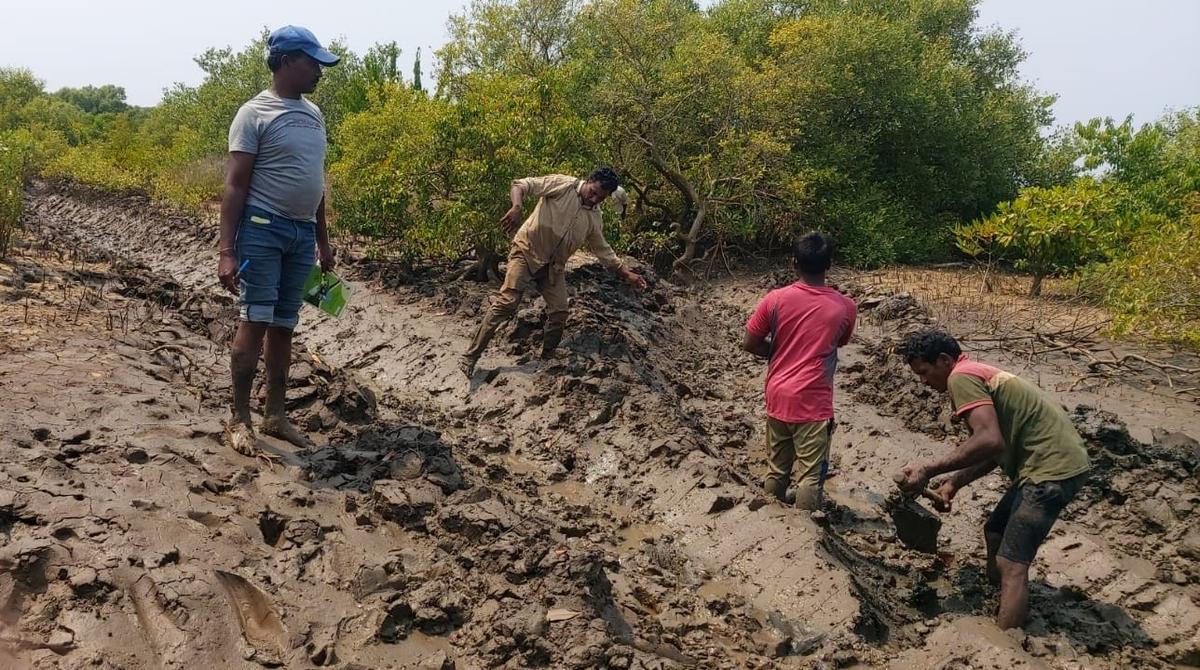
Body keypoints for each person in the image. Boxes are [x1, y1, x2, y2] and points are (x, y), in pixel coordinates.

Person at [895, 329, 1090, 630]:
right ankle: (997, 595)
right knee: (995, 531)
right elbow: (993, 450)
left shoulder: (961, 378)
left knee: (1012, 564)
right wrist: (953, 484)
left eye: (924, 372)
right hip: (1048, 465)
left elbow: (988, 440)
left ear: (944, 360)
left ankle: (1005, 641)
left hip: (1051, 469)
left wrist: (927, 469)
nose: (923, 382)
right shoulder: (976, 373)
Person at [216, 25, 339, 457]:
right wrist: (226, 251)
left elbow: (316, 182)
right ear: (286, 62)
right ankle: (239, 419)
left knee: (285, 325)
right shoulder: (253, 114)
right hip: (262, 229)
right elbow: (234, 185)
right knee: (257, 319)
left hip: (301, 233)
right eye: (312, 63)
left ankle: (276, 415)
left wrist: (323, 241)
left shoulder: (314, 113)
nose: (318, 71)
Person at [460, 168, 647, 377]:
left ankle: (547, 357)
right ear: (589, 180)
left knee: (560, 311)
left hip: (553, 266)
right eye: (593, 192)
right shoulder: (562, 184)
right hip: (526, 251)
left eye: (600, 198)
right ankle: (470, 357)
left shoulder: (594, 217)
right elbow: (520, 184)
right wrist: (517, 206)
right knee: (507, 303)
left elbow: (602, 249)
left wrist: (625, 273)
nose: (594, 199)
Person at [743, 232, 857, 509]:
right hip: (813, 402)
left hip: (778, 395)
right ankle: (807, 533)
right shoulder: (845, 307)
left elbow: (750, 342)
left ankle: (773, 520)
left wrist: (779, 351)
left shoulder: (774, 299)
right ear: (829, 264)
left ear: (793, 262)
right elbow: (839, 342)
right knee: (810, 477)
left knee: (777, 469)